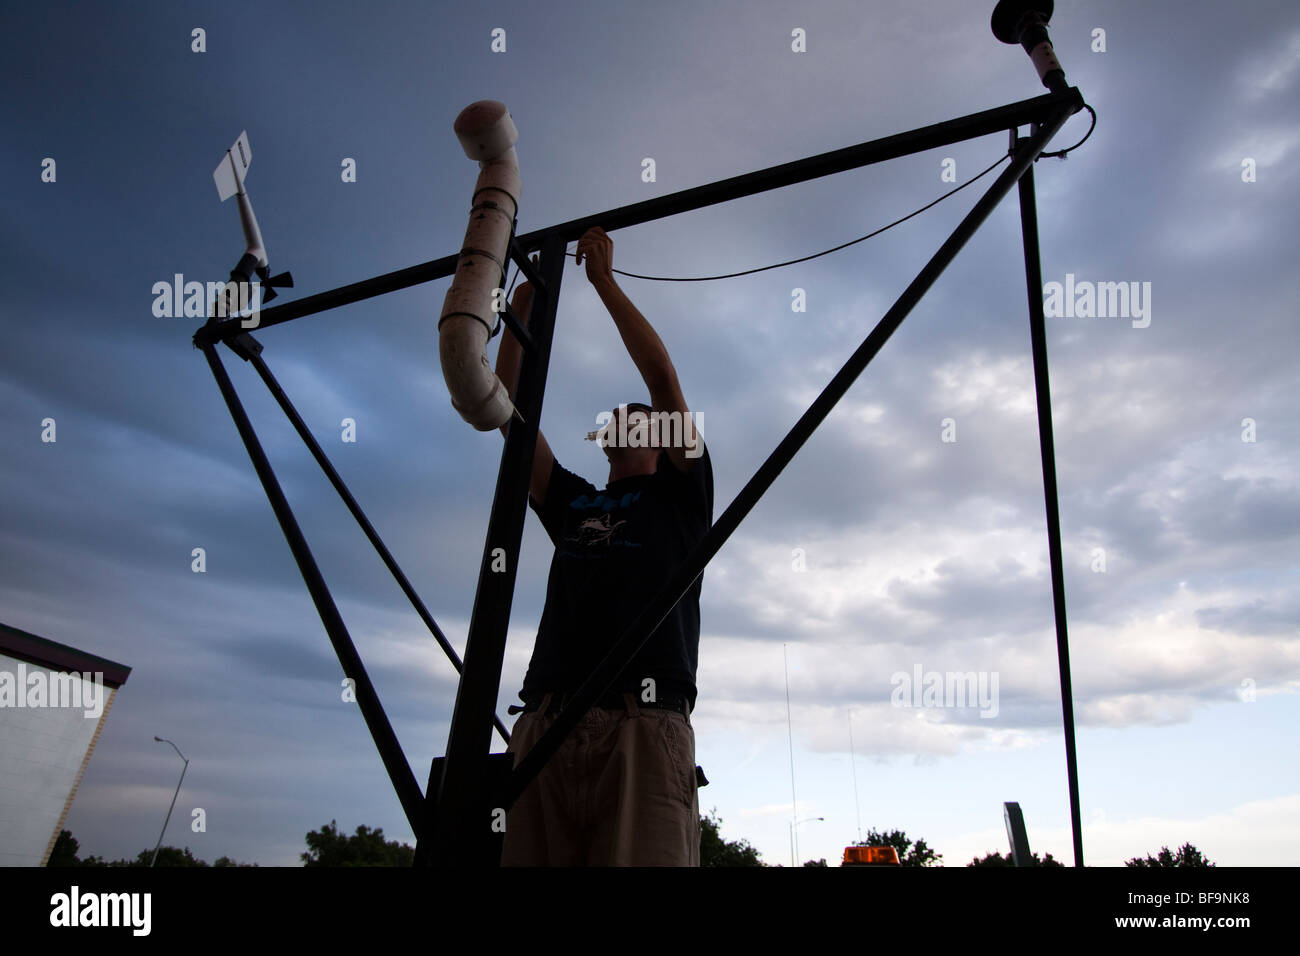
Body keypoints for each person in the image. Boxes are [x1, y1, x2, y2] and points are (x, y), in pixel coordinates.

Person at [492, 226, 713, 866]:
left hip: (643, 720)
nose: (623, 411)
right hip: (548, 718)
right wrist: (527, 303)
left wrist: (603, 283)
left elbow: (662, 376)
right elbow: (507, 409)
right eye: (617, 411)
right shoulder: (576, 502)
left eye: (636, 411)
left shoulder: (680, 497)